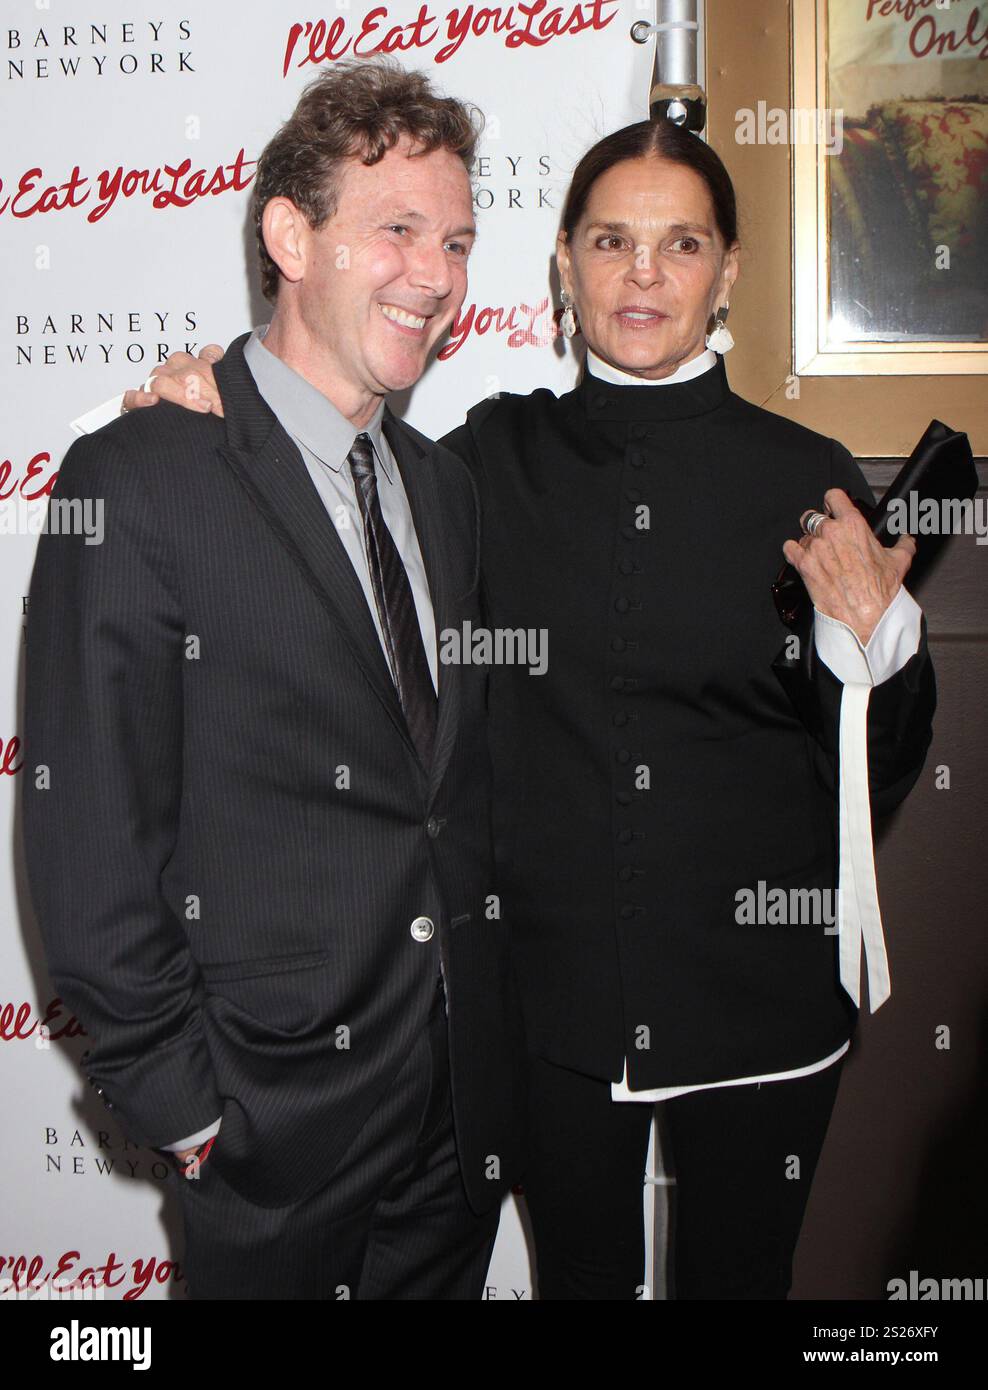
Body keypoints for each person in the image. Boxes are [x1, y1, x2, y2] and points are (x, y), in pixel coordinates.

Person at [112, 120, 936, 1299]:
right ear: (563, 261)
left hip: (762, 1009)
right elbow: (324, 485)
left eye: (681, 243)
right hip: (544, 1011)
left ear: (728, 269)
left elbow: (883, 767)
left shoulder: (805, 476)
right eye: (610, 240)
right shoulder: (479, 461)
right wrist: (210, 399)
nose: (642, 273)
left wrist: (878, 643)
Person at [22, 60, 526, 1301]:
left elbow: (442, 797)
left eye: (456, 240)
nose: (436, 274)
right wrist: (182, 1105)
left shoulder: (444, 488)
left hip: (455, 1119)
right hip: (269, 1123)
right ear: (289, 235)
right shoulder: (137, 476)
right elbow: (88, 835)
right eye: (396, 230)